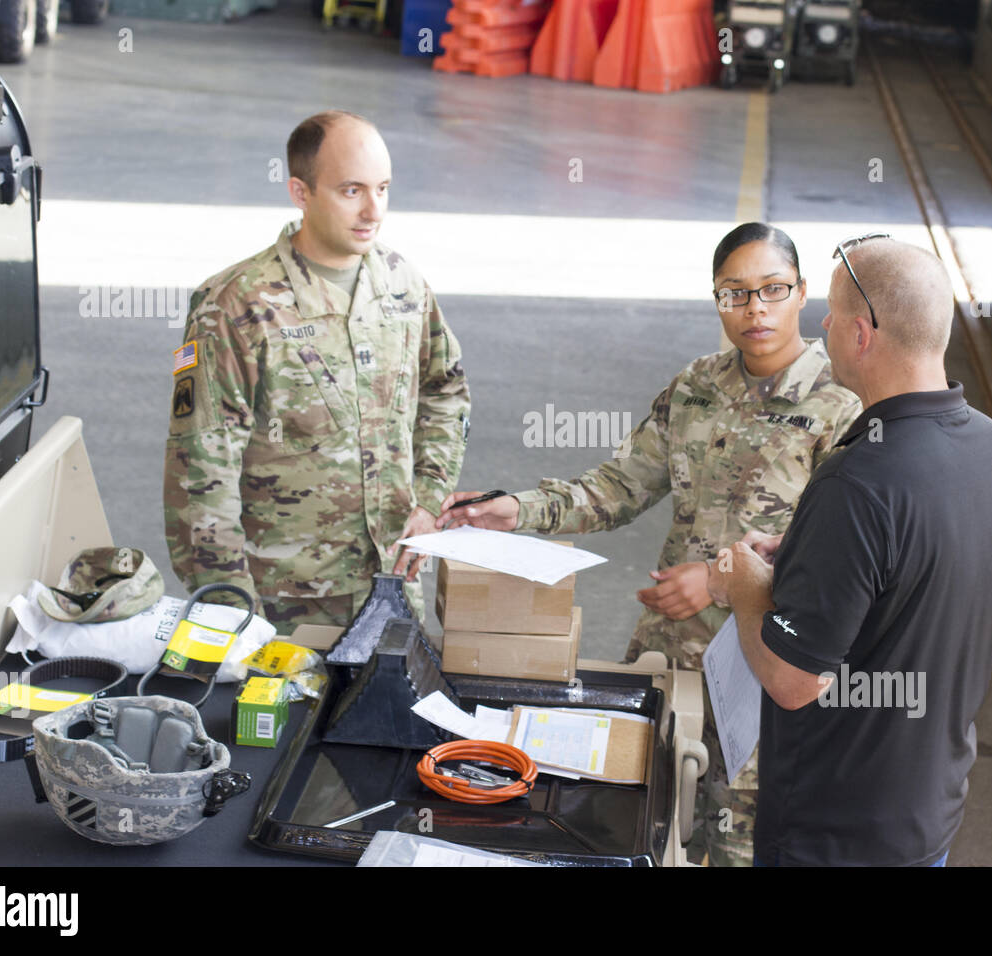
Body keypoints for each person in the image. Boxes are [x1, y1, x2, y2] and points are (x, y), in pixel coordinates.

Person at [437, 222, 861, 865]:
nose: (755, 309)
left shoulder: (843, 407)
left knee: (747, 844)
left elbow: (840, 561)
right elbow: (615, 488)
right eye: (734, 293)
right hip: (671, 661)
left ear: (803, 294)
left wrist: (718, 582)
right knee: (643, 827)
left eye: (773, 289)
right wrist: (511, 510)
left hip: (770, 672)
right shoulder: (697, 387)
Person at [707, 235, 992, 866]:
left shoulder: (858, 482)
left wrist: (746, 589)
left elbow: (795, 680)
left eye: (830, 312)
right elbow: (913, 580)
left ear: (862, 334)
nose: (820, 323)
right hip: (925, 816)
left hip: (833, 838)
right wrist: (807, 555)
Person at [163, 111, 470, 630]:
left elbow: (445, 393)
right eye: (352, 190)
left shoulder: (402, 286)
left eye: (384, 188)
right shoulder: (237, 306)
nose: (374, 210)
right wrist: (234, 618)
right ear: (300, 193)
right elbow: (200, 473)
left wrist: (429, 498)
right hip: (283, 605)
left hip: (391, 587)